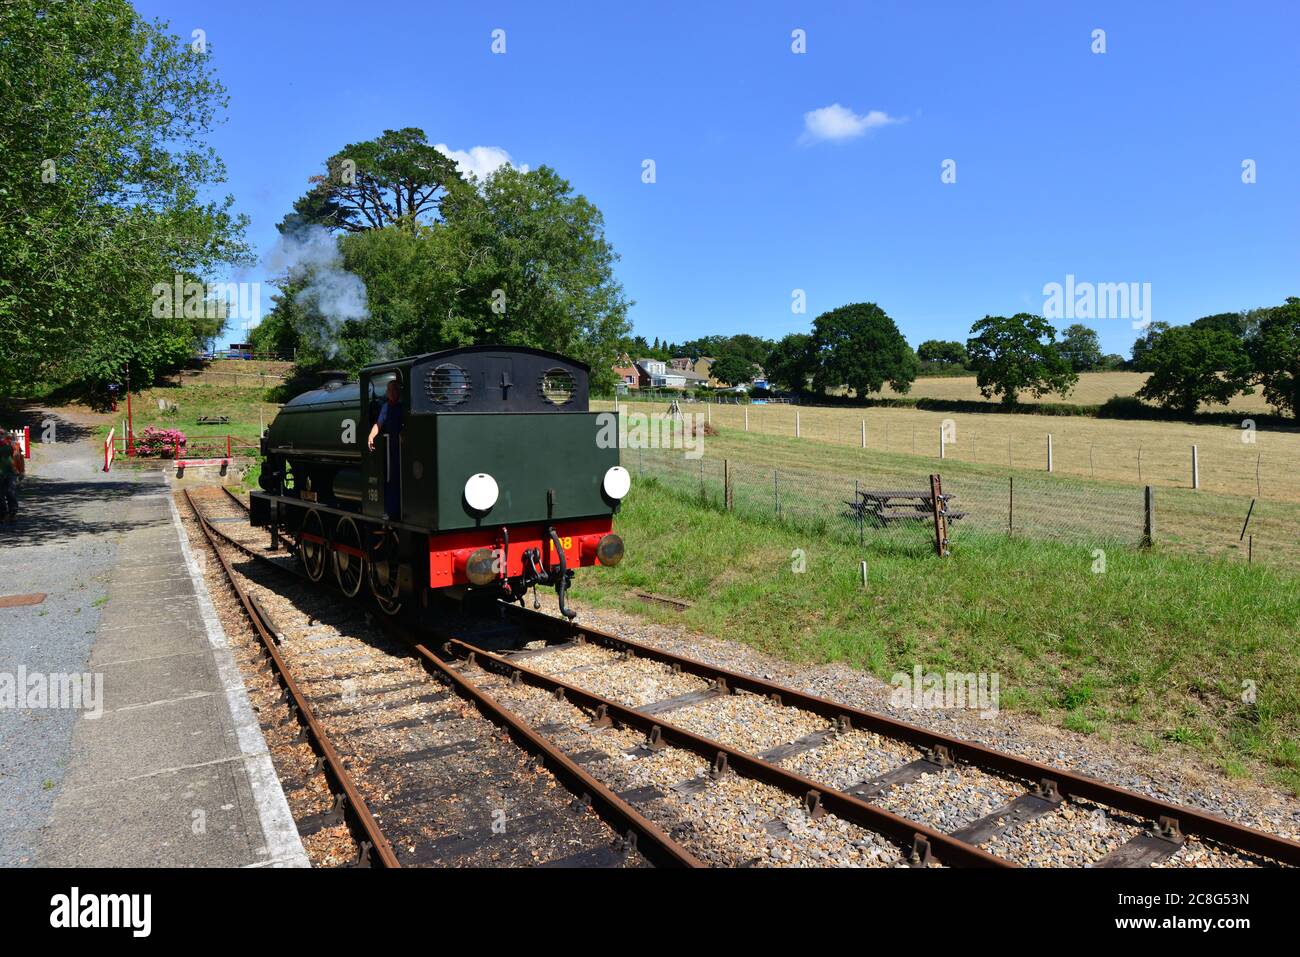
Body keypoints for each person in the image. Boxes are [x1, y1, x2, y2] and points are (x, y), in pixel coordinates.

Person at [366, 379, 403, 520]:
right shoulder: (386, 407)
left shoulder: (403, 406)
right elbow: (379, 423)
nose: (392, 393)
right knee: (390, 477)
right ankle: (390, 510)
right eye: (390, 390)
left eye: (395, 390)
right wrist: (371, 435)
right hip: (391, 446)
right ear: (387, 393)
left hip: (401, 445)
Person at [0, 434, 17, 525]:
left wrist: (20, 470)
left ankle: (12, 514)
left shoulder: (10, 444)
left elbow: (18, 456)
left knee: (10, 493)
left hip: (10, 472)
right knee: (1, 495)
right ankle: (2, 515)